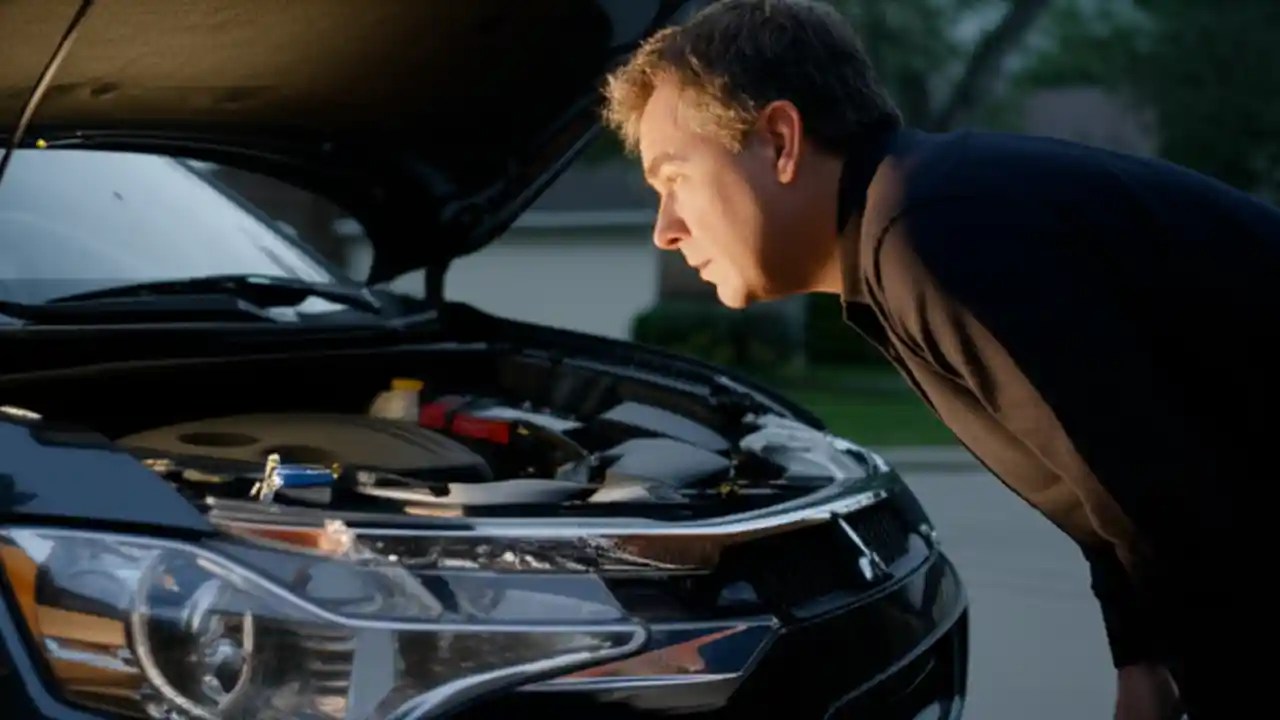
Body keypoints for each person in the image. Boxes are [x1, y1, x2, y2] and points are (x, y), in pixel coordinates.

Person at [600, 1, 1276, 718]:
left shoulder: (933, 234)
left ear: (779, 139)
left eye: (674, 179)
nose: (666, 230)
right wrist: (1141, 660)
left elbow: (1173, 505)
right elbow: (1098, 494)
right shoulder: (910, 225)